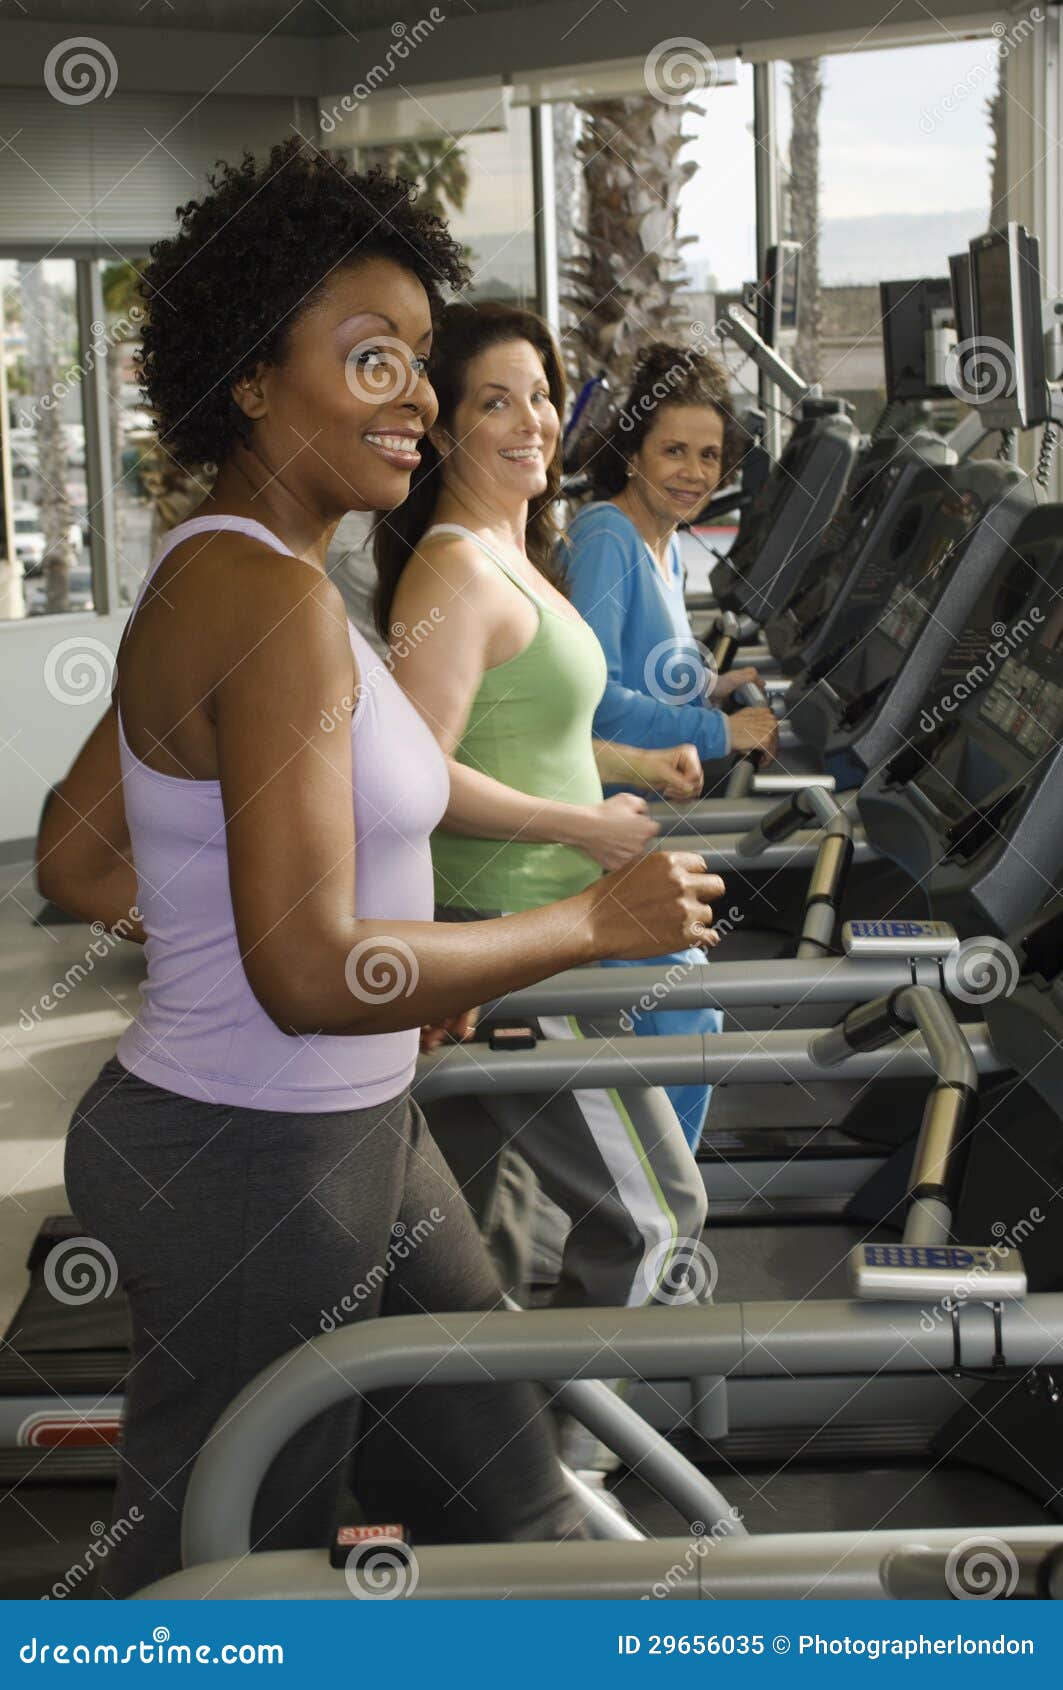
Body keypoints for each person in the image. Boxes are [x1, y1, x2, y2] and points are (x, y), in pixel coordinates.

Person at [34, 143, 724, 1597]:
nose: (412, 395)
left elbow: (82, 850)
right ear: (250, 378)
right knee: (211, 1584)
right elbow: (304, 969)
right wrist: (581, 924)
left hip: (350, 1132)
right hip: (249, 1157)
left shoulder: (239, 567)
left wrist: (378, 960)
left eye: (416, 359)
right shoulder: (266, 600)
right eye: (370, 359)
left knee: (499, 1498)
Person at [374, 302, 723, 1476]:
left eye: (540, 393)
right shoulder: (456, 569)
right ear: (439, 430)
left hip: (540, 929)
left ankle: (476, 1469)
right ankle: (562, 1477)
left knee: (482, 1238)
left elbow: (526, 729)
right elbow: (412, 775)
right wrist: (580, 825)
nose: (529, 420)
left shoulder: (512, 555)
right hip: (519, 938)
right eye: (494, 400)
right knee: (658, 1217)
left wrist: (622, 777)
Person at [559, 343, 780, 1151]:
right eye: (674, 451)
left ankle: (660, 1185)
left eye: (708, 455)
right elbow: (595, 698)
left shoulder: (660, 541)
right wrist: (718, 730)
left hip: (629, 817)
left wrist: (716, 690)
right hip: (588, 821)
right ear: (633, 450)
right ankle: (657, 1209)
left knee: (691, 1002)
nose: (693, 471)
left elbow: (653, 673)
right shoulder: (608, 536)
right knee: (686, 1008)